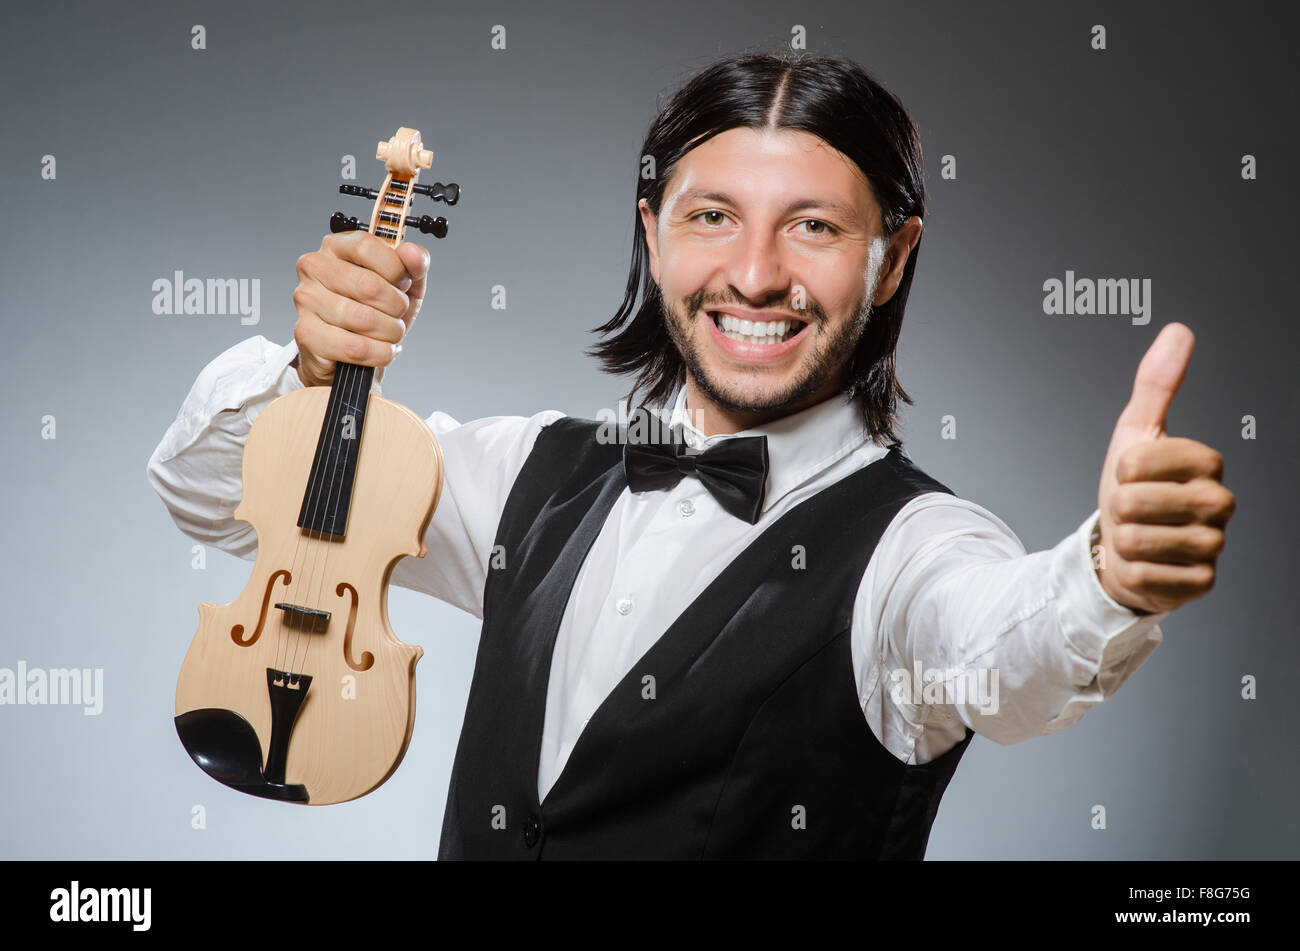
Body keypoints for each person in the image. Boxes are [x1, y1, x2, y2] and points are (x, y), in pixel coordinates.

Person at [147, 51, 1234, 859]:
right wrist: (307, 367)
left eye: (811, 227)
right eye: (712, 215)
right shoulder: (523, 471)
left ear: (889, 258)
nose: (754, 274)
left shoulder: (914, 551)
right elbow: (215, 495)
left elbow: (1009, 658)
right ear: (653, 232)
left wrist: (1105, 577)